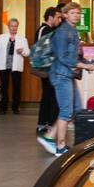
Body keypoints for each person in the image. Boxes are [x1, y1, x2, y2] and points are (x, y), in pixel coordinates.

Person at [40, 2, 94, 157]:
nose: (76, 15)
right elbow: (63, 57)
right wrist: (85, 66)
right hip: (61, 75)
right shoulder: (63, 32)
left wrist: (93, 65)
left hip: (67, 75)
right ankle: (60, 146)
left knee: (75, 108)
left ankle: (49, 137)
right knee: (66, 111)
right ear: (65, 15)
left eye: (78, 13)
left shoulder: (73, 31)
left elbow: (75, 56)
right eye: (73, 13)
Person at [0, 18, 30, 115]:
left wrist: (22, 51)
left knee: (17, 87)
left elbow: (28, 53)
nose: (14, 28)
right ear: (8, 26)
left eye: (15, 26)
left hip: (16, 66)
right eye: (12, 26)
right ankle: (3, 108)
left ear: (17, 27)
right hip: (3, 66)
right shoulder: (1, 37)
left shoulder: (22, 39)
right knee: (4, 87)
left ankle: (15, 108)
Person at [34, 7, 61, 135]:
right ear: (50, 17)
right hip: (48, 69)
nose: (59, 20)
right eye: (57, 17)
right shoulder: (45, 30)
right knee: (51, 97)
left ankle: (43, 123)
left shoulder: (46, 30)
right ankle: (49, 124)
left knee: (47, 96)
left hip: (47, 69)